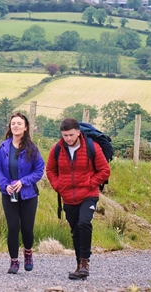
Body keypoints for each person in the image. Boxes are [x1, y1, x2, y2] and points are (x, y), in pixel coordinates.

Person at [46, 118, 111, 280]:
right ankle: (78, 266)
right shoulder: (57, 149)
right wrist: (58, 186)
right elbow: (50, 170)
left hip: (89, 195)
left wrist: (91, 183)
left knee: (84, 223)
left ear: (78, 132)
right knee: (75, 231)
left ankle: (84, 263)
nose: (68, 138)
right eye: (65, 135)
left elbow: (104, 170)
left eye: (71, 135)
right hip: (68, 196)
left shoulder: (92, 147)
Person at [0, 112, 45, 274]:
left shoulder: (32, 149)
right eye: (13, 123)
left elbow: (39, 170)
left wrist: (24, 181)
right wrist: (4, 185)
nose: (16, 126)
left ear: (26, 127)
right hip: (9, 194)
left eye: (19, 123)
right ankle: (14, 261)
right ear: (10, 126)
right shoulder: (3, 148)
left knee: (27, 229)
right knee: (13, 227)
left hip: (28, 195)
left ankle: (28, 252)